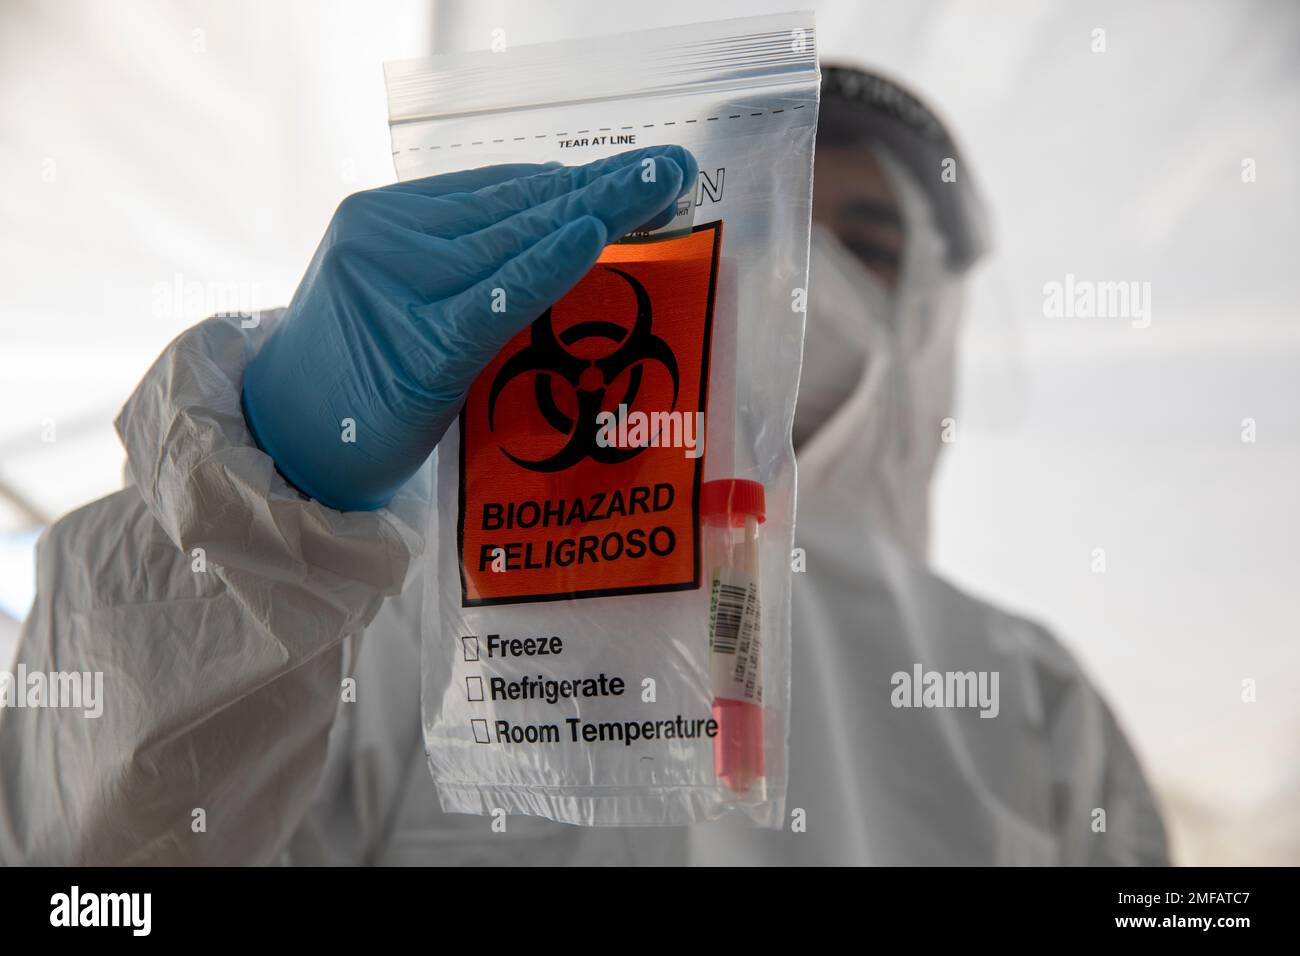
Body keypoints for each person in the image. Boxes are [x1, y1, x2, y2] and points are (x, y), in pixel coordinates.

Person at [0, 66, 1168, 865]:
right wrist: (260, 502)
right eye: (774, 214)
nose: (811, 275)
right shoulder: (425, 594)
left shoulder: (1025, 691)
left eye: (864, 244)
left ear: (925, 321)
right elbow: (91, 857)